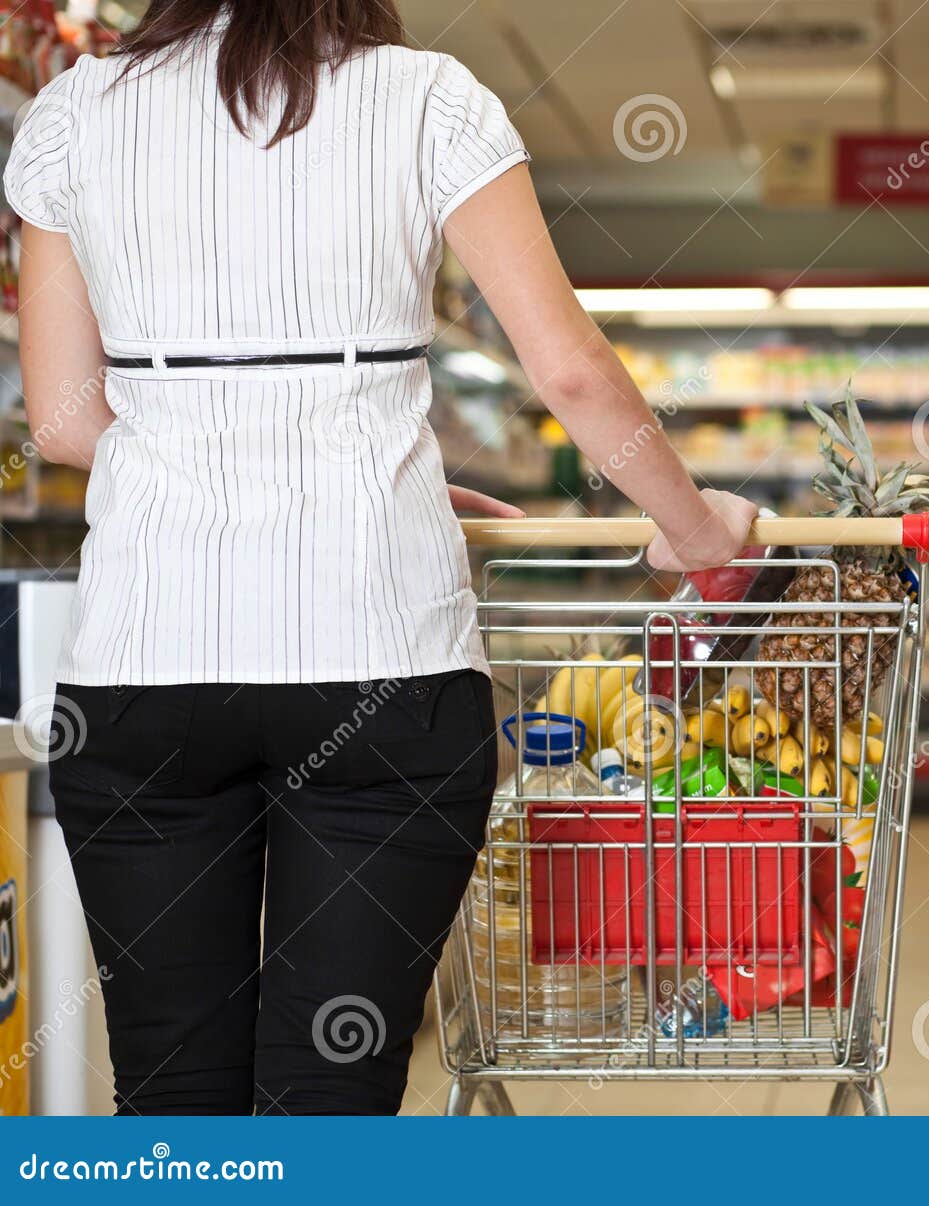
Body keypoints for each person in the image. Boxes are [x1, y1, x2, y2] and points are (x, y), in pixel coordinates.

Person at [7, 0, 756, 1116]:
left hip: (141, 670)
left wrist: (216, 456)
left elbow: (65, 423)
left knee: (171, 1098)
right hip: (380, 661)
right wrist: (699, 534)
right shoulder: (426, 99)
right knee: (333, 1099)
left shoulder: (74, 114)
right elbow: (574, 375)